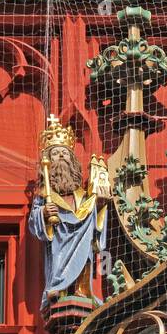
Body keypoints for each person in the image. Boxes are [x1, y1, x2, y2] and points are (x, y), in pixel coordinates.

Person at [28, 116, 108, 303]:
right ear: (47, 162)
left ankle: (82, 288)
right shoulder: (43, 194)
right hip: (58, 244)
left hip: (83, 238)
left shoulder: (82, 196)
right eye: (55, 153)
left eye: (65, 153)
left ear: (72, 161)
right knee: (58, 255)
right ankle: (59, 288)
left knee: (85, 249)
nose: (61, 156)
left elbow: (93, 220)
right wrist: (44, 214)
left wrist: (100, 205)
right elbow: (34, 221)